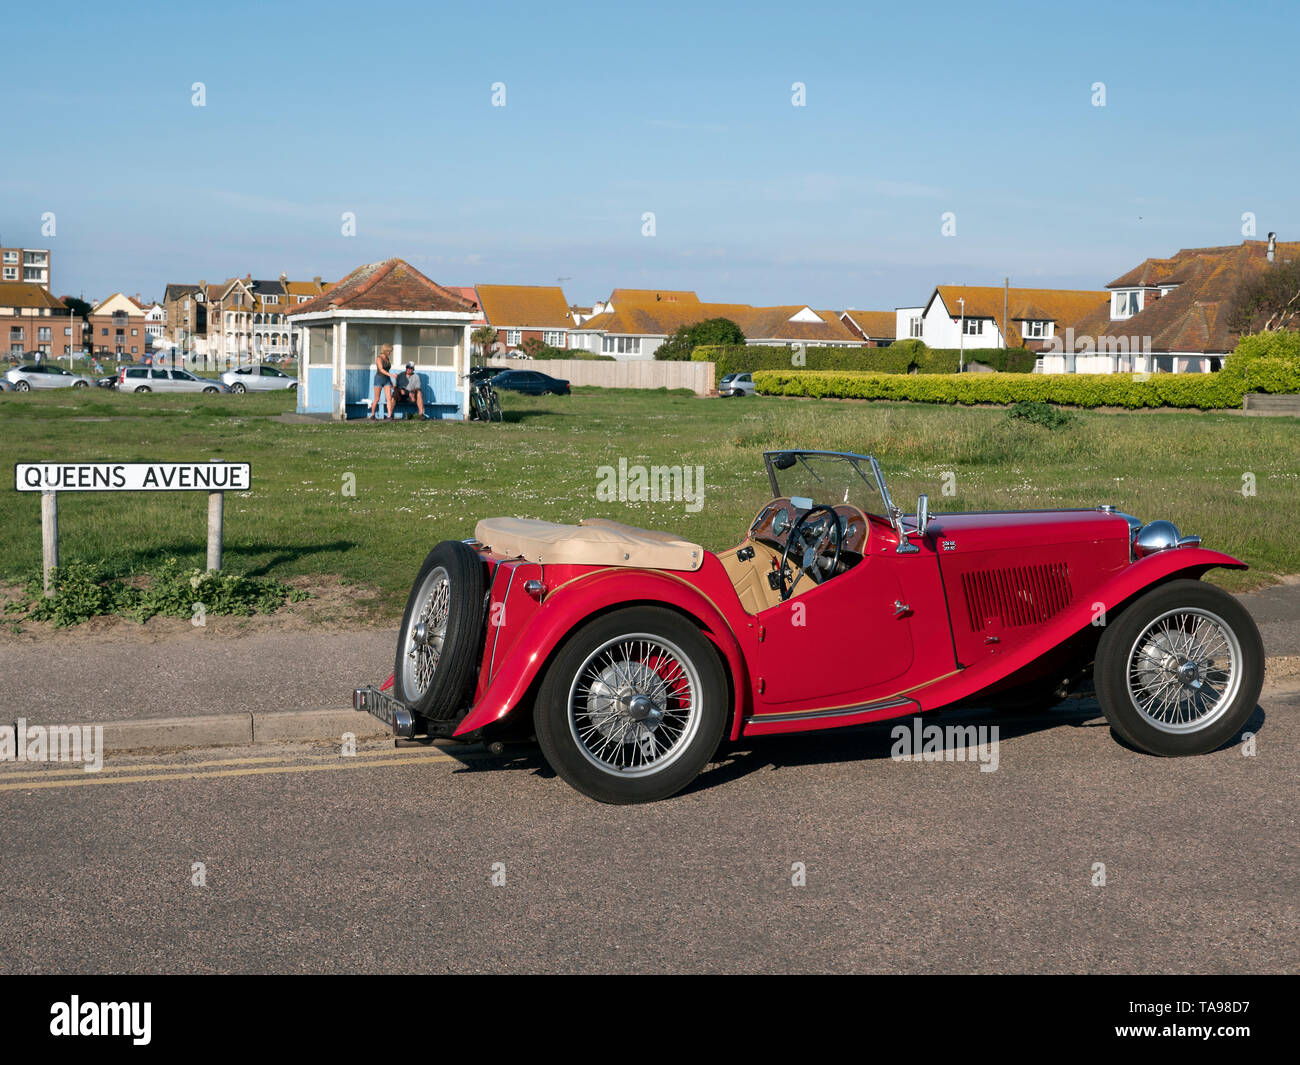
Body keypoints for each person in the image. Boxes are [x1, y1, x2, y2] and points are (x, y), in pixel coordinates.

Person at [368, 345, 397, 419]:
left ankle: (389, 416)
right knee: (377, 399)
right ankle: (372, 414)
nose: (390, 353)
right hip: (379, 379)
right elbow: (381, 369)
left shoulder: (387, 358)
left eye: (391, 351)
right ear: (385, 350)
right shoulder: (379, 358)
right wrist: (391, 375)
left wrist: (391, 382)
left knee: (389, 398)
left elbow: (387, 370)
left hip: (387, 380)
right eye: (389, 351)